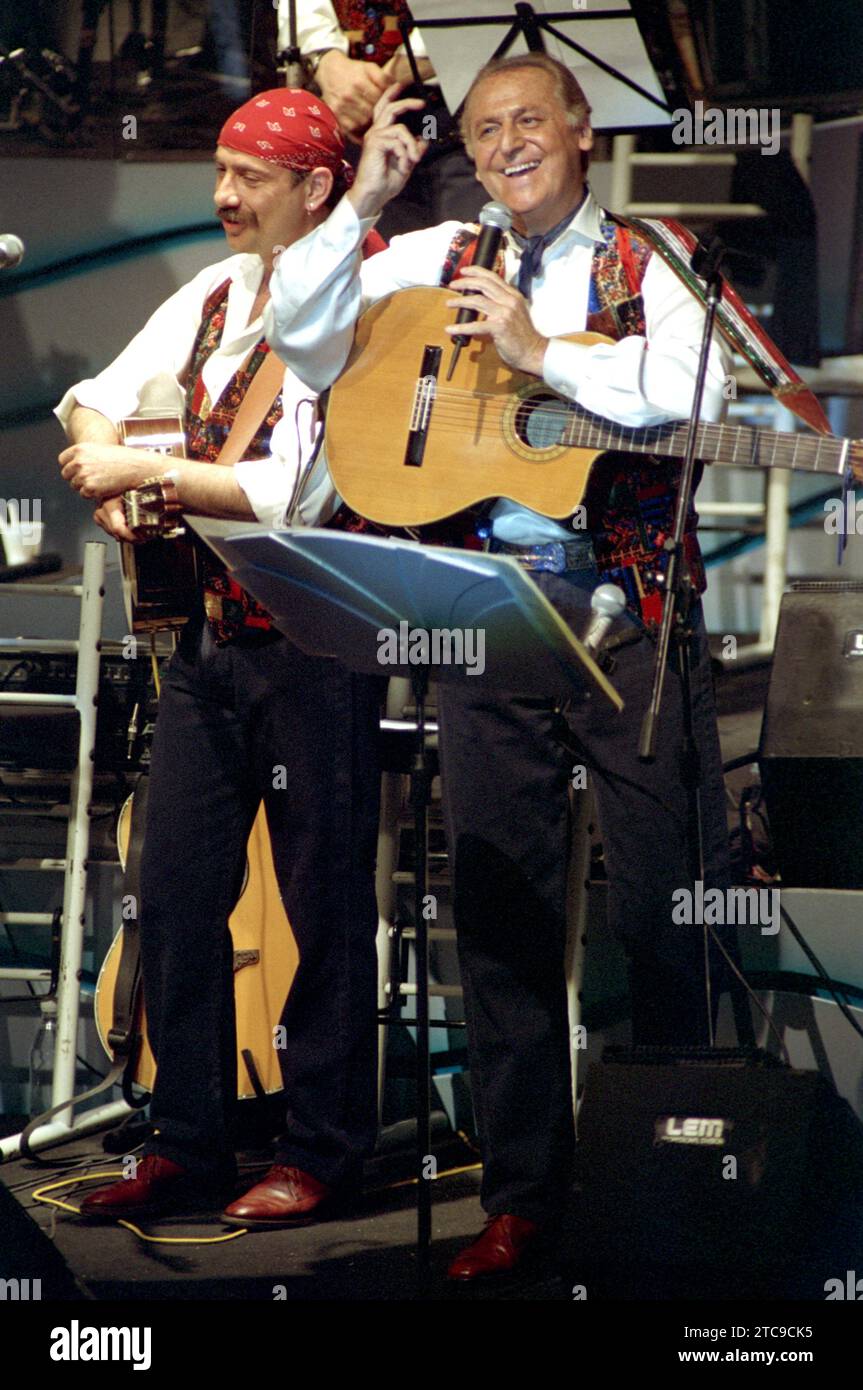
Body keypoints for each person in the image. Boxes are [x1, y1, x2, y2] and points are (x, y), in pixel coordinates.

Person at [264, 52, 740, 1277]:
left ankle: (666, 1176)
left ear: (579, 129)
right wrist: (362, 203)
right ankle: (522, 1196)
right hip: (484, 612)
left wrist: (544, 354)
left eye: (529, 119)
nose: (504, 143)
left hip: (625, 617)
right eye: (482, 129)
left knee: (659, 906)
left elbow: (703, 388)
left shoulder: (646, 259)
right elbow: (305, 340)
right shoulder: (441, 255)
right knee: (502, 914)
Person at [55, 88, 384, 1228]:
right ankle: (186, 1136)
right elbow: (90, 400)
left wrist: (144, 480)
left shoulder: (361, 303)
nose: (223, 196)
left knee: (322, 906)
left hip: (314, 642)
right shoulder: (214, 290)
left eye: (250, 177)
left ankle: (325, 1151)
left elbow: (292, 490)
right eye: (221, 170)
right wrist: (110, 467)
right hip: (200, 641)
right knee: (173, 891)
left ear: (318, 188)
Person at [279, 0, 484, 235]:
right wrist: (326, 62)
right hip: (352, 118)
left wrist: (379, 83)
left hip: (449, 112)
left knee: (469, 249)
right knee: (375, 257)